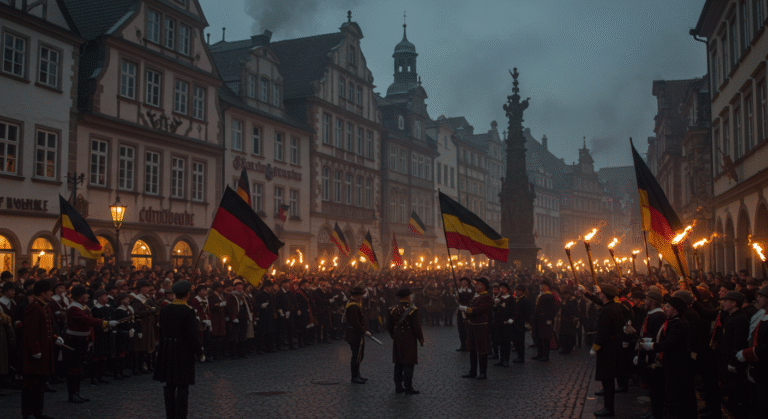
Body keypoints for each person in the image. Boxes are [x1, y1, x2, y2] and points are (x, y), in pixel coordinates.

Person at [153, 280, 204, 419]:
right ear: (187, 294)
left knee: (170, 384)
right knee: (182, 385)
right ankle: (181, 416)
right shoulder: (187, 311)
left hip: (167, 349)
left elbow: (162, 330)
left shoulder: (165, 309)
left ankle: (170, 415)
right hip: (183, 351)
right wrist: (199, 354)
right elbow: (192, 335)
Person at [641, 297, 697, 419]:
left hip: (677, 365)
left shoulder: (678, 324)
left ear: (675, 309)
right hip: (672, 363)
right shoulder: (673, 321)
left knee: (677, 395)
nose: (664, 309)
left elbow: (670, 344)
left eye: (668, 306)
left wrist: (652, 346)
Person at [65, 284, 116, 403]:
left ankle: (76, 392)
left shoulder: (82, 306)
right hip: (74, 341)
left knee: (79, 368)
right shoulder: (74, 308)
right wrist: (105, 323)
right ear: (79, 297)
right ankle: (72, 394)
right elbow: (87, 320)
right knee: (74, 368)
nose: (87, 297)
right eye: (84, 295)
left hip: (82, 340)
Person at [21, 279, 60, 419]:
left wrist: (55, 338)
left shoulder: (44, 306)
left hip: (44, 351)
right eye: (50, 291)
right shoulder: (34, 307)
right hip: (35, 353)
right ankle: (27, 413)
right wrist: (35, 350)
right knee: (30, 384)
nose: (51, 294)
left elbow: (45, 329)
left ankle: (38, 411)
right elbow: (31, 332)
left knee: (41, 383)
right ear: (43, 292)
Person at [589, 284, 625, 418]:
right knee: (608, 378)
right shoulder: (615, 306)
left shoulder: (606, 310)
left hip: (607, 348)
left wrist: (595, 348)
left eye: (601, 293)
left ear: (604, 295)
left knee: (607, 379)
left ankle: (608, 408)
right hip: (614, 345)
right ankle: (608, 406)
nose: (599, 295)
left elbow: (602, 333)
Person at [387, 287, 424, 394]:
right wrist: (421, 339)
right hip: (409, 338)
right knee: (409, 362)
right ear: (408, 297)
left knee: (398, 362)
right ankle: (408, 387)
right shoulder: (413, 310)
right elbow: (417, 327)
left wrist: (394, 336)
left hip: (398, 337)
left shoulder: (392, 309)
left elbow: (389, 326)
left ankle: (398, 386)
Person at [458, 277, 493, 379]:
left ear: (484, 286)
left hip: (481, 326)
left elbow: (479, 310)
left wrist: (466, 309)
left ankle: (483, 372)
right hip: (472, 326)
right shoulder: (475, 296)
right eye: (476, 284)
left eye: (479, 284)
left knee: (482, 349)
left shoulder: (487, 297)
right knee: (472, 349)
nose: (476, 286)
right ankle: (472, 371)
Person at [345, 286, 370, 384]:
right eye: (360, 295)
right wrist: (364, 331)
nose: (361, 297)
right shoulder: (352, 306)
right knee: (356, 355)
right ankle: (354, 376)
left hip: (358, 334)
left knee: (359, 355)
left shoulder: (355, 304)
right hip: (355, 334)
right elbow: (355, 322)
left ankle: (357, 374)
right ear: (356, 296)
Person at [532, 279, 560, 362]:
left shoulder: (549, 296)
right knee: (539, 337)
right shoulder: (540, 295)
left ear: (547, 287)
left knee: (545, 339)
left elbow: (552, 309)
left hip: (545, 320)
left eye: (544, 286)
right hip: (539, 319)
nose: (542, 287)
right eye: (541, 286)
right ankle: (539, 354)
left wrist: (549, 320)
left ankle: (545, 355)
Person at [511, 283, 533, 363]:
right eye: (516, 290)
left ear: (523, 292)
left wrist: (526, 323)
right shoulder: (516, 299)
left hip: (521, 323)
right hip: (516, 323)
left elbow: (527, 313)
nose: (516, 292)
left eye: (518, 291)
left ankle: (521, 357)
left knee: (520, 341)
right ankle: (519, 355)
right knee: (516, 340)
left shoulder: (525, 301)